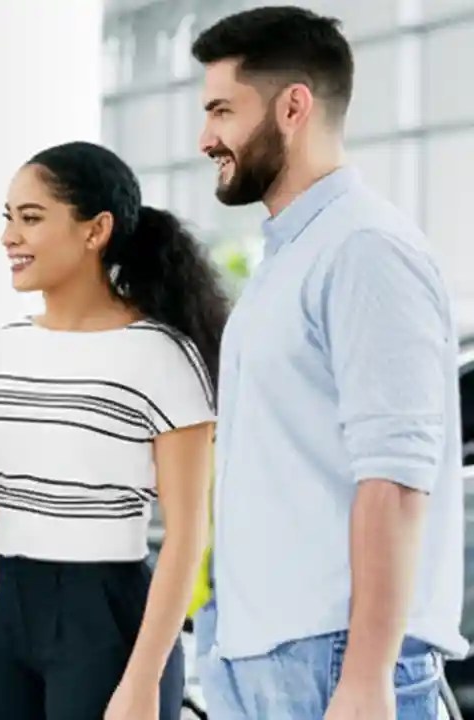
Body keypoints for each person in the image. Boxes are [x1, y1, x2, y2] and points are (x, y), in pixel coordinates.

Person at [0, 140, 227, 719]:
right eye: (8, 218)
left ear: (95, 230)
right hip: (13, 619)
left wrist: (142, 681)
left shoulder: (163, 355)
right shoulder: (9, 347)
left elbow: (188, 538)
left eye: (30, 218)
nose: (9, 237)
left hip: (108, 626)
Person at [190, 7, 468, 719]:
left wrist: (368, 678)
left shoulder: (365, 249)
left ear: (292, 106)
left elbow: (397, 475)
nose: (205, 138)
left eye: (222, 110)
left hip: (336, 661)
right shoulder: (288, 260)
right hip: (259, 651)